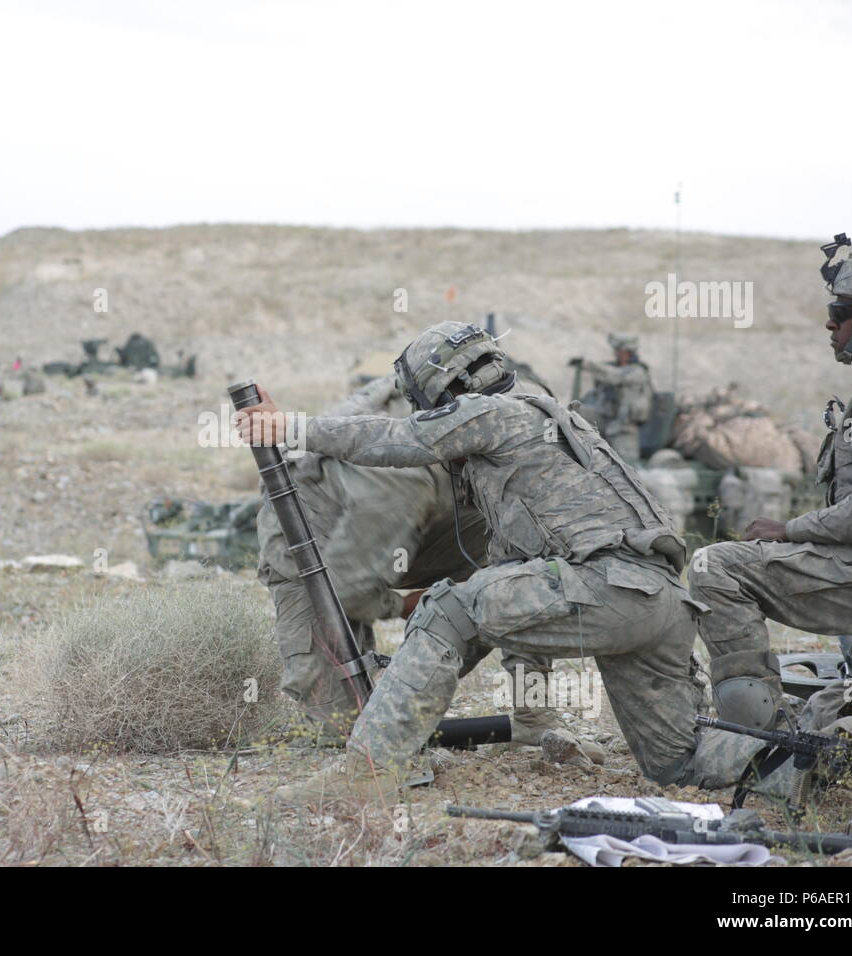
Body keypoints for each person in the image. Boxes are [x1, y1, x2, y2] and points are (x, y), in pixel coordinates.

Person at [236, 322, 760, 805]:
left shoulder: (490, 413)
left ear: (444, 400)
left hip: (608, 588)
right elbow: (514, 586)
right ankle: (797, 760)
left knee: (447, 606)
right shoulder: (554, 428)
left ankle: (366, 773)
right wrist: (519, 713)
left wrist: (287, 426)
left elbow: (400, 439)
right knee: (678, 764)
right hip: (658, 602)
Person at [257, 374, 582, 752]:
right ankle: (391, 702)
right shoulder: (400, 475)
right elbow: (348, 591)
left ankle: (528, 721)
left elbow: (536, 565)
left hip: (433, 528)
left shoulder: (529, 417)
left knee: (526, 571)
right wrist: (409, 605)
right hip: (320, 542)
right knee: (340, 734)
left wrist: (534, 718)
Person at [690, 237, 852, 732]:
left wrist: (791, 528)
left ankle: (766, 744)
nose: (832, 323)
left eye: (844, 309)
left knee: (714, 566)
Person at [570, 333, 653, 461]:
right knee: (573, 412)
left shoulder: (637, 372)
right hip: (604, 419)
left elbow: (614, 376)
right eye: (617, 351)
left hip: (623, 428)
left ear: (628, 352)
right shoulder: (614, 367)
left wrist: (588, 364)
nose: (616, 353)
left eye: (620, 351)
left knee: (627, 465)